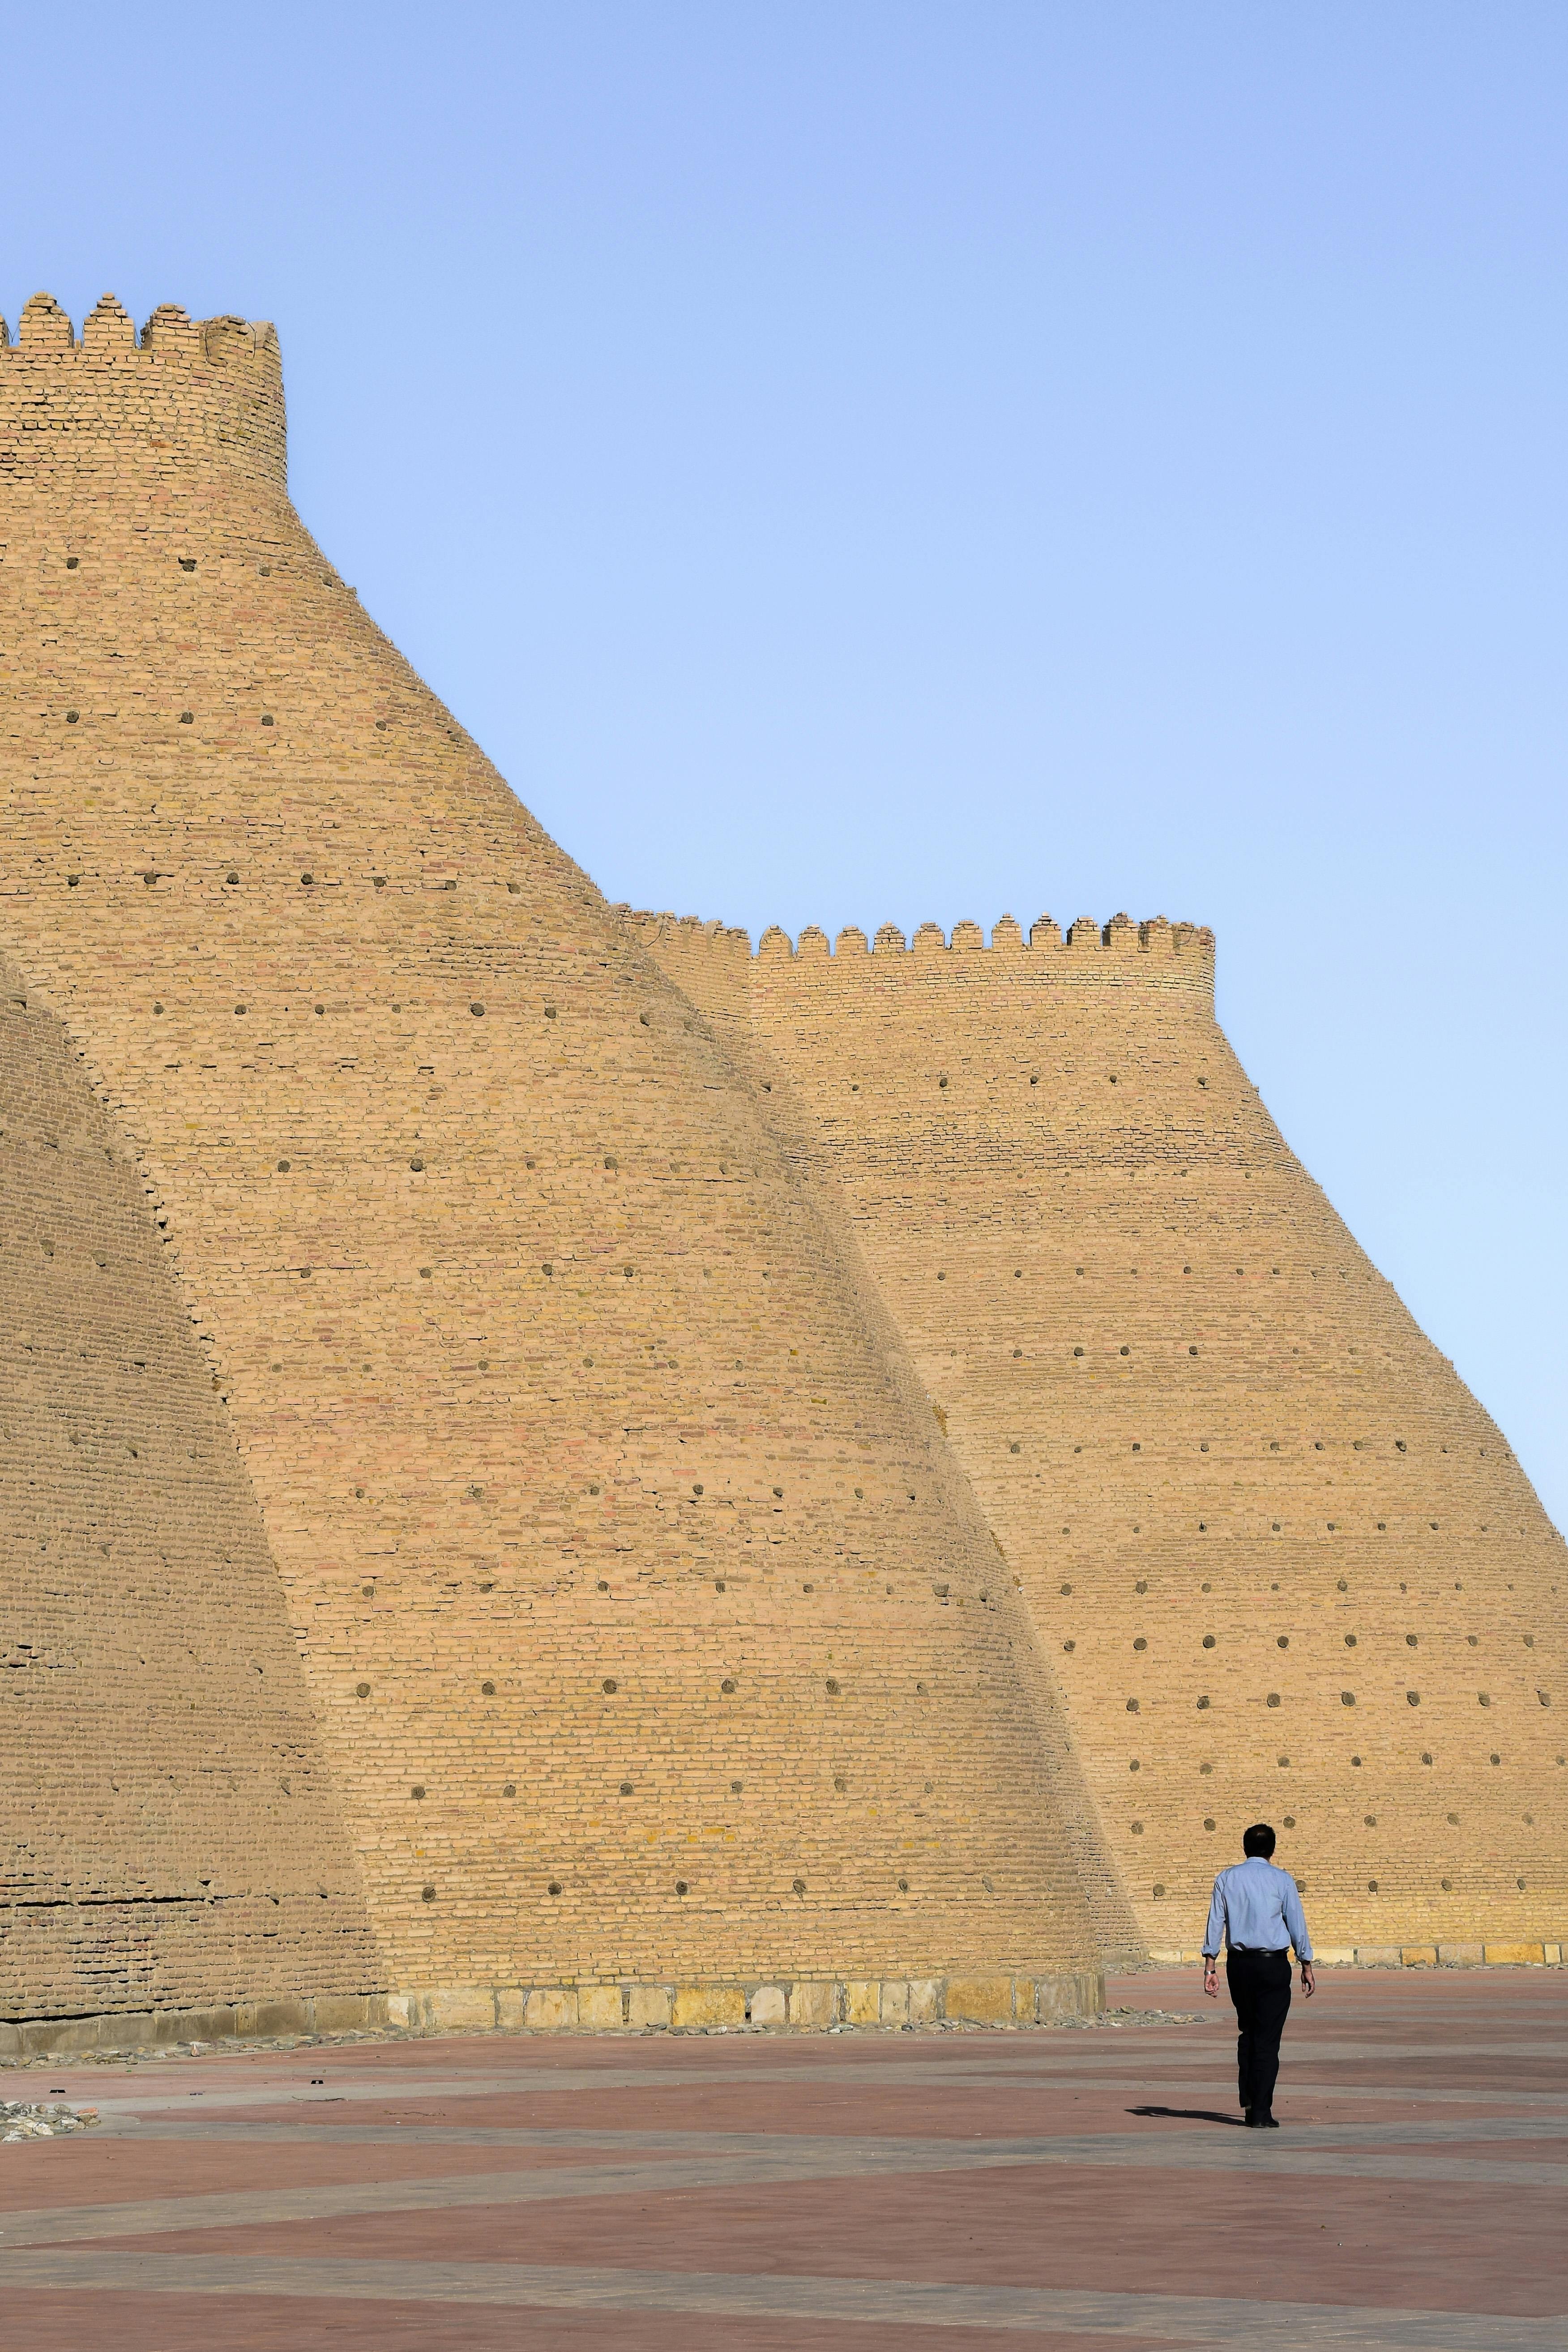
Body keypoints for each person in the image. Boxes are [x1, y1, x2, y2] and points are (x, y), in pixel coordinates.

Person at [1201, 1822, 1315, 2127]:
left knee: (1248, 2033)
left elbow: (1216, 1922)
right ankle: (1261, 2112)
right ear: (1272, 1850)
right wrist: (1305, 1964)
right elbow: (1296, 1924)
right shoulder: (1282, 1880)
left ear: (1245, 1848)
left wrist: (1210, 1966)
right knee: (1267, 2039)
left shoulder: (1226, 1878)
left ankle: (1249, 2102)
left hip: (1238, 1965)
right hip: (1272, 1966)